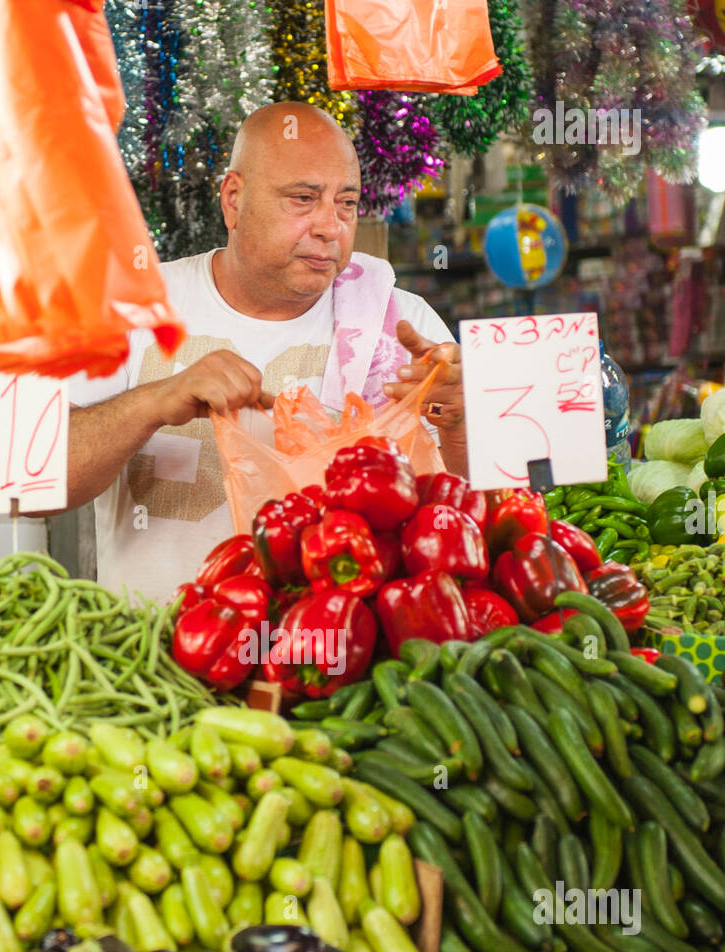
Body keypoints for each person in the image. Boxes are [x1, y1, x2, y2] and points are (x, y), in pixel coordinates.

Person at [61, 101, 467, 597]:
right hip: (153, 663)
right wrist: (153, 401)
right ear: (233, 199)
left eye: (346, 203)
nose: (330, 227)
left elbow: (471, 520)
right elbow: (36, 487)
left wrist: (460, 422)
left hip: (338, 659)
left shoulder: (399, 324)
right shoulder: (130, 307)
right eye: (302, 198)